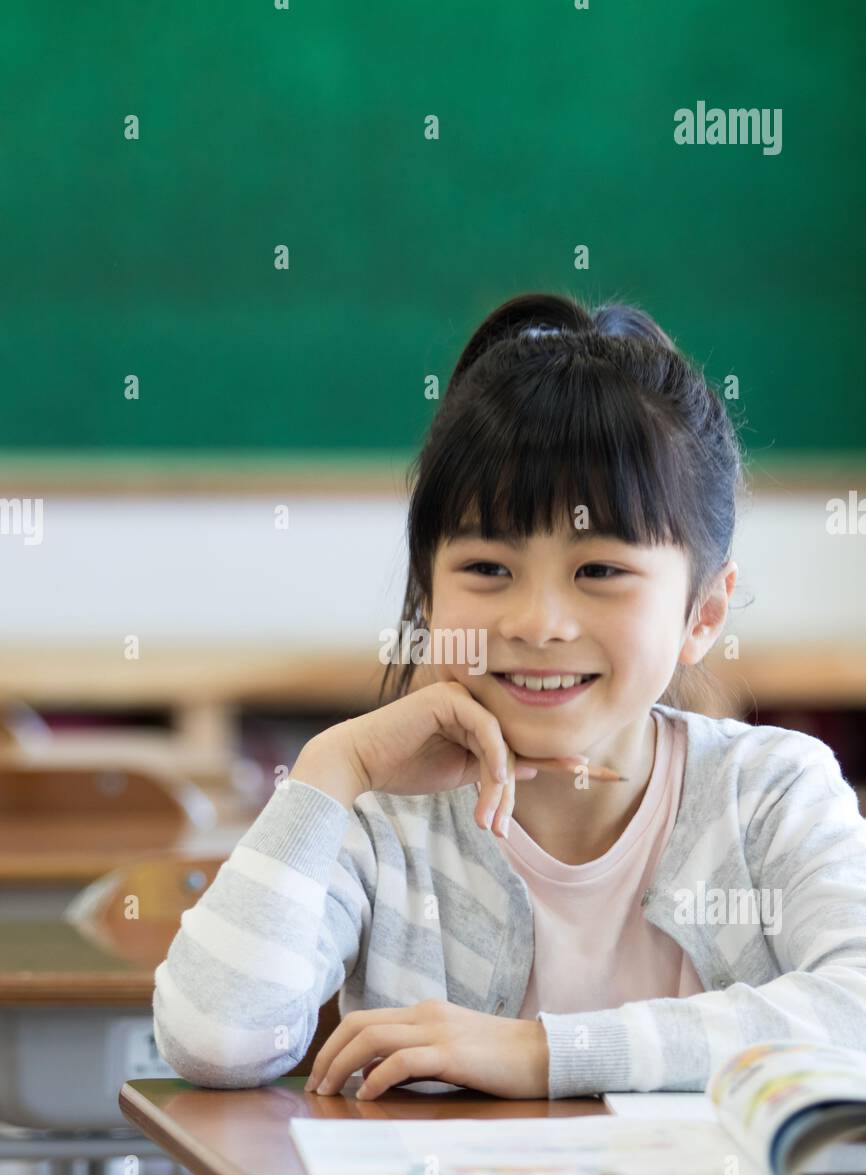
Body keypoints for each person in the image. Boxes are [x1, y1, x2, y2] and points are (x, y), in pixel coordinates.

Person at [152, 291, 866, 1100]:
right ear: (428, 599)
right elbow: (213, 1040)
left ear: (703, 613)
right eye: (488, 569)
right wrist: (333, 764)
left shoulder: (769, 795)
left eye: (599, 571)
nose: (539, 622)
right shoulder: (382, 820)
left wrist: (542, 1054)